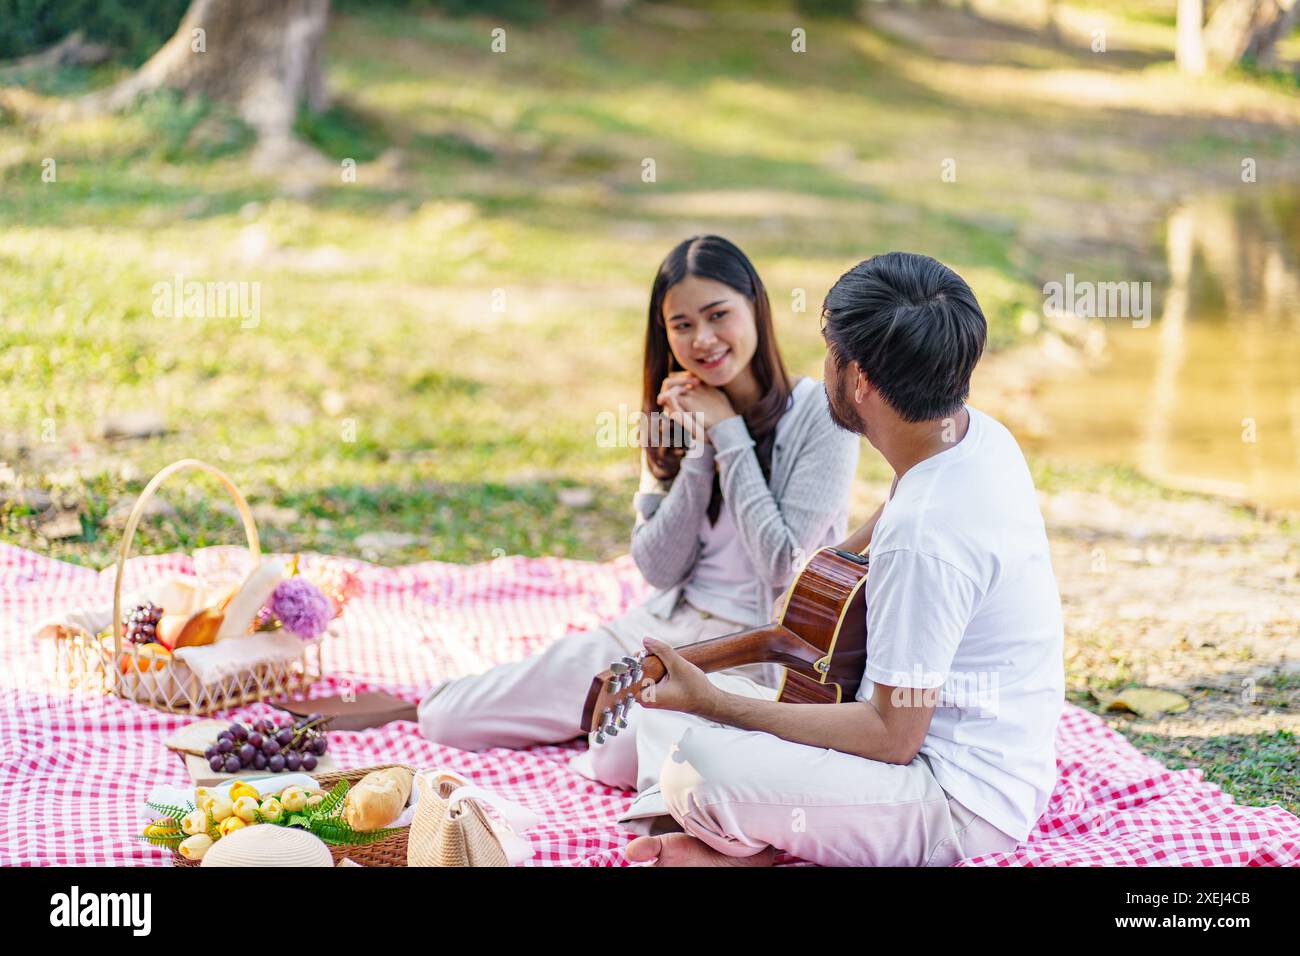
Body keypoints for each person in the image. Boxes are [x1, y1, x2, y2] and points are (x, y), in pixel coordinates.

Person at [613, 251, 1065, 866]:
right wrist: (822, 569)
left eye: (831, 353)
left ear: (859, 381)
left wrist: (714, 705)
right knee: (669, 726)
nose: (821, 367)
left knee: (699, 763)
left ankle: (745, 849)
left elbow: (891, 735)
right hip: (960, 757)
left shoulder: (923, 538)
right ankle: (738, 833)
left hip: (957, 803)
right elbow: (905, 497)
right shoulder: (970, 432)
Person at [417, 235, 860, 756]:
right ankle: (591, 716)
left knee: (618, 753)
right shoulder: (675, 416)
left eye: (719, 315)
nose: (704, 339)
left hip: (749, 650)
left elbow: (781, 564)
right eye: (682, 325)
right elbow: (659, 569)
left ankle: (614, 726)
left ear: (756, 309)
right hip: (662, 629)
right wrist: (699, 447)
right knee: (448, 718)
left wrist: (730, 435)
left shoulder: (819, 415)